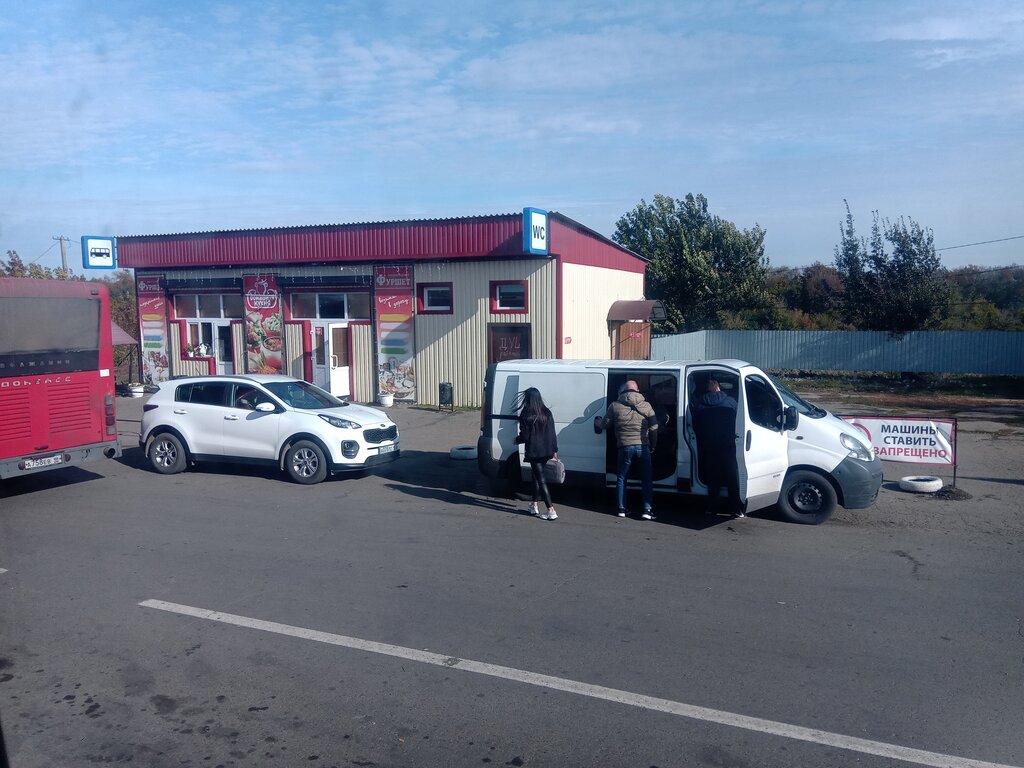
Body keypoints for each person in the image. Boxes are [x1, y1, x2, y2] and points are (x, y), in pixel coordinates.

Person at [598, 380, 658, 520]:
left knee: (622, 478)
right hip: (643, 446)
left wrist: (597, 422)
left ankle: (621, 509)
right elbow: (654, 427)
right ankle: (647, 510)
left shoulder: (615, 405)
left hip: (624, 447)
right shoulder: (646, 405)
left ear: (623, 391)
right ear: (637, 390)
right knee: (646, 479)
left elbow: (605, 425)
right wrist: (653, 445)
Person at [691, 377, 744, 518]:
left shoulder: (700, 404)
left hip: (708, 446)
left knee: (713, 479)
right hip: (727, 445)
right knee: (732, 478)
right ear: (718, 387)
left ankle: (712, 508)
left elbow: (695, 424)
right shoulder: (730, 402)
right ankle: (736, 509)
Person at [514, 387, 559, 521]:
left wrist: (516, 440)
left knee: (540, 479)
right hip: (547, 450)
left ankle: (551, 510)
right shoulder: (547, 412)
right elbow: (552, 433)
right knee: (536, 476)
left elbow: (525, 437)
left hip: (535, 451)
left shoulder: (526, 414)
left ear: (528, 399)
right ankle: (534, 504)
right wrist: (555, 450)